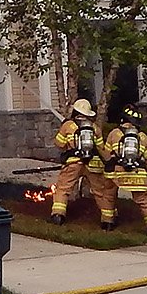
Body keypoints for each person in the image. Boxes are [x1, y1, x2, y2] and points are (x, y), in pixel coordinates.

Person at [49, 97, 116, 228]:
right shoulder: (95, 128)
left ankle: (58, 215)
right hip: (93, 164)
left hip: (73, 163)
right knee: (100, 192)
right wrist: (109, 162)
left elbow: (59, 144)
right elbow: (101, 148)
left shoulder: (68, 126)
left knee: (63, 189)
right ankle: (108, 220)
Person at [105, 105, 147, 237]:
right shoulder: (144, 137)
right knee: (144, 200)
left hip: (117, 174)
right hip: (138, 173)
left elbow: (107, 155)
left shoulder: (114, 134)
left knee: (108, 195)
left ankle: (108, 222)